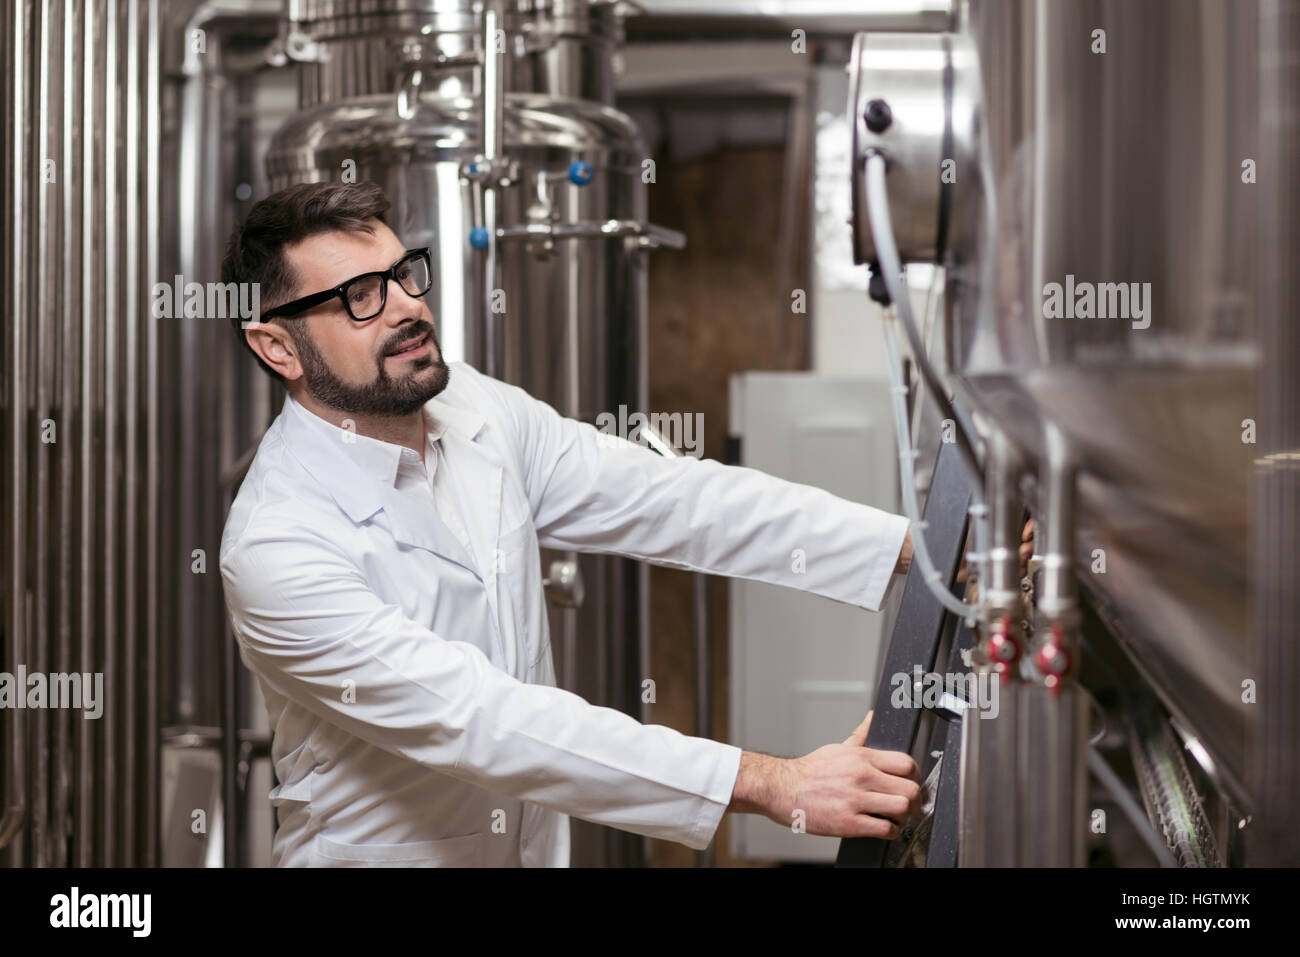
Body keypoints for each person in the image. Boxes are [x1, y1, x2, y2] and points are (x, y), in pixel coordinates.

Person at [219, 181, 921, 867]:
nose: (407, 307)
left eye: (405, 275)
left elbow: (674, 499)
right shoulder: (278, 542)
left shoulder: (474, 408)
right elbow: (485, 721)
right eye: (360, 297)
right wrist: (777, 782)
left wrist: (911, 548)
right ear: (278, 348)